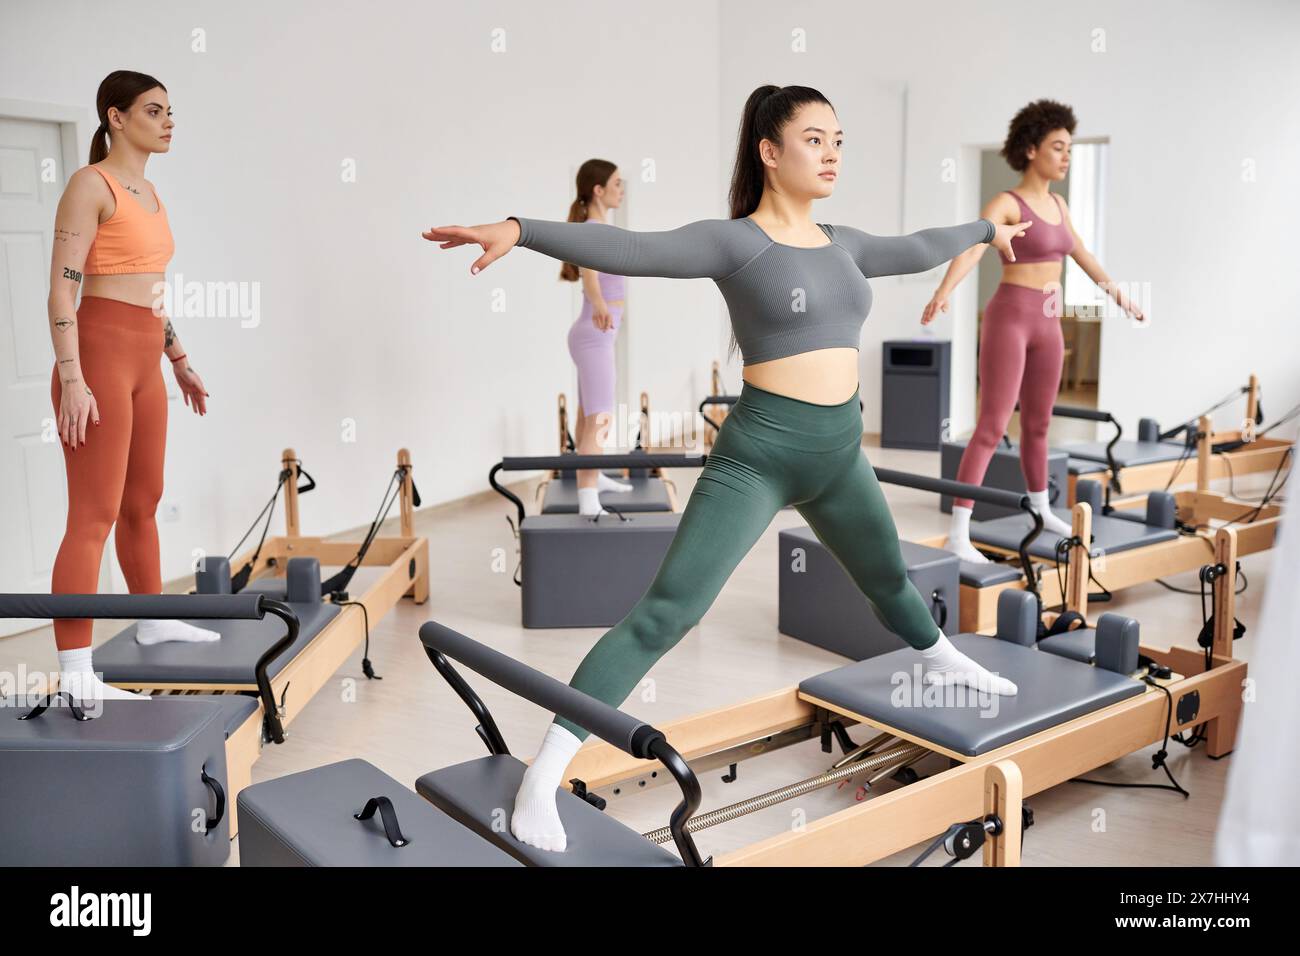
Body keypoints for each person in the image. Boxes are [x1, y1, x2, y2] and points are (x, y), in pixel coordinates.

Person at [424, 85, 1030, 852]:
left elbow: (915, 247)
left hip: (841, 455)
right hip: (759, 458)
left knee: (890, 585)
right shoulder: (735, 243)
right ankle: (542, 773)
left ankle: (945, 663)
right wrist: (520, 228)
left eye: (838, 139)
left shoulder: (843, 243)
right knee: (666, 613)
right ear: (769, 152)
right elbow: (632, 249)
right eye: (815, 139)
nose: (834, 152)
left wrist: (987, 223)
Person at [46, 70, 215, 701]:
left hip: (145, 357)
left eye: (170, 110)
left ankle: (153, 618)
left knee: (143, 500)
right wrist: (73, 378)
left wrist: (178, 358)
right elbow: (63, 288)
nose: (168, 121)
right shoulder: (90, 186)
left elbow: (150, 291)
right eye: (154, 110)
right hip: (97, 358)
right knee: (91, 516)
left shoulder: (149, 193)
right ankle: (75, 676)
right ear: (116, 117)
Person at [923, 99, 1145, 563]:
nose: (1066, 156)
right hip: (1011, 318)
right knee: (991, 426)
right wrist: (945, 290)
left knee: (1040, 425)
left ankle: (1041, 510)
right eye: (1057, 147)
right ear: (1030, 149)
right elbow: (972, 246)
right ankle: (960, 530)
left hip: (1050, 323)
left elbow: (1082, 255)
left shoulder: (1060, 204)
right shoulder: (1007, 203)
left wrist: (1120, 296)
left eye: (1069, 148)